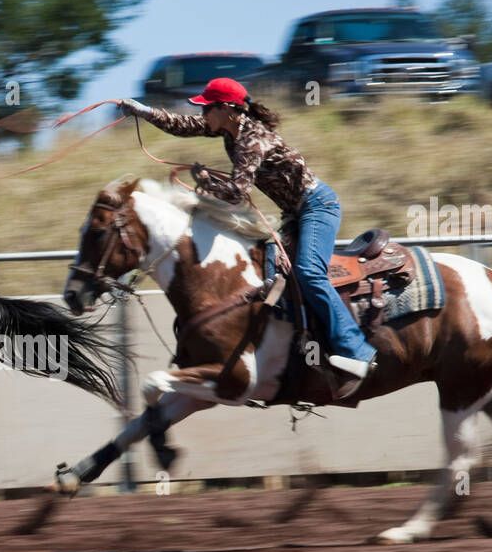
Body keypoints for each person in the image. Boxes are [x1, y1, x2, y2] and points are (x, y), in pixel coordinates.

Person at [120, 78, 377, 397]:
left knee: (308, 274)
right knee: (269, 275)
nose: (202, 114)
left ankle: (357, 351)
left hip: (317, 206)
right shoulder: (230, 128)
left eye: (207, 108)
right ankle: (301, 350)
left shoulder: (252, 139)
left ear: (226, 109)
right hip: (295, 213)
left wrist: (204, 182)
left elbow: (237, 195)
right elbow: (183, 125)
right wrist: (143, 112)